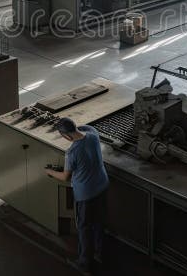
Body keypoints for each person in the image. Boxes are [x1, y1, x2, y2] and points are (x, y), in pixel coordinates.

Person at [46, 117, 109, 274]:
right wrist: (72, 127)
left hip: (86, 195)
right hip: (102, 186)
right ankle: (100, 254)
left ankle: (85, 264)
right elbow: (86, 128)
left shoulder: (72, 152)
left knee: (84, 228)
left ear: (66, 136)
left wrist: (50, 172)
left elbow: (65, 177)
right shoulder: (93, 136)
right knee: (99, 222)